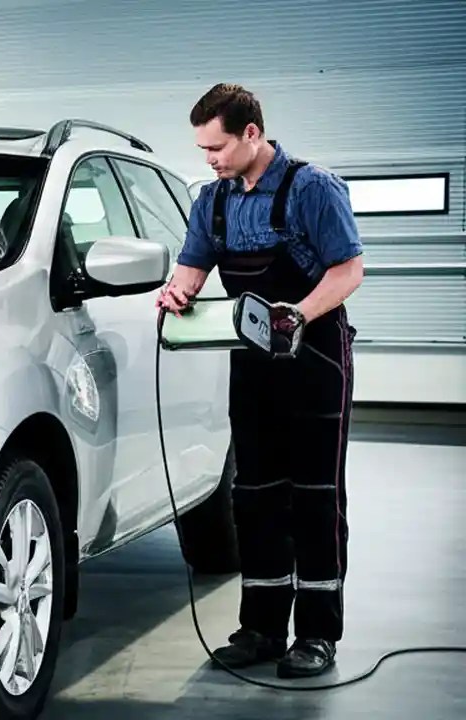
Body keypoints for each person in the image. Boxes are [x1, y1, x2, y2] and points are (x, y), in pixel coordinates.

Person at [158, 83, 365, 679]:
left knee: (315, 497)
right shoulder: (213, 200)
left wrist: (300, 312)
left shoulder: (312, 187)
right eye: (201, 149)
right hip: (251, 358)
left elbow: (349, 270)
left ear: (252, 133)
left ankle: (317, 634)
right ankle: (263, 628)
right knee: (254, 496)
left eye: (217, 146)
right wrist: (179, 290)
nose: (210, 160)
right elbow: (195, 263)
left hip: (316, 357)